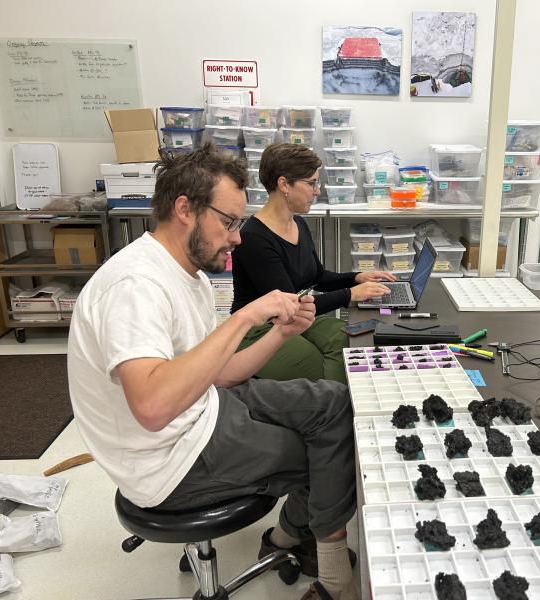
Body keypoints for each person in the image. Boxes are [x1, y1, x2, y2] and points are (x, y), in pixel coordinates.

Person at [67, 143, 357, 600]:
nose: (237, 237)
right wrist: (245, 318)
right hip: (169, 460)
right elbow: (153, 407)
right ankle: (335, 581)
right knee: (325, 454)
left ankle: (283, 539)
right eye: (228, 223)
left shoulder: (191, 278)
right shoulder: (134, 287)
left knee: (335, 404)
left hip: (204, 409)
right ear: (185, 208)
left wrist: (279, 333)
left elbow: (220, 374)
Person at [232, 143, 395, 383]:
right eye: (311, 183)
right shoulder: (254, 238)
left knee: (347, 341)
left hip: (295, 317)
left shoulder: (298, 224)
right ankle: (333, 410)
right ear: (284, 184)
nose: (317, 191)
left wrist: (356, 277)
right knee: (320, 368)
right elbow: (290, 305)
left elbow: (318, 276)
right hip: (259, 329)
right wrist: (350, 294)